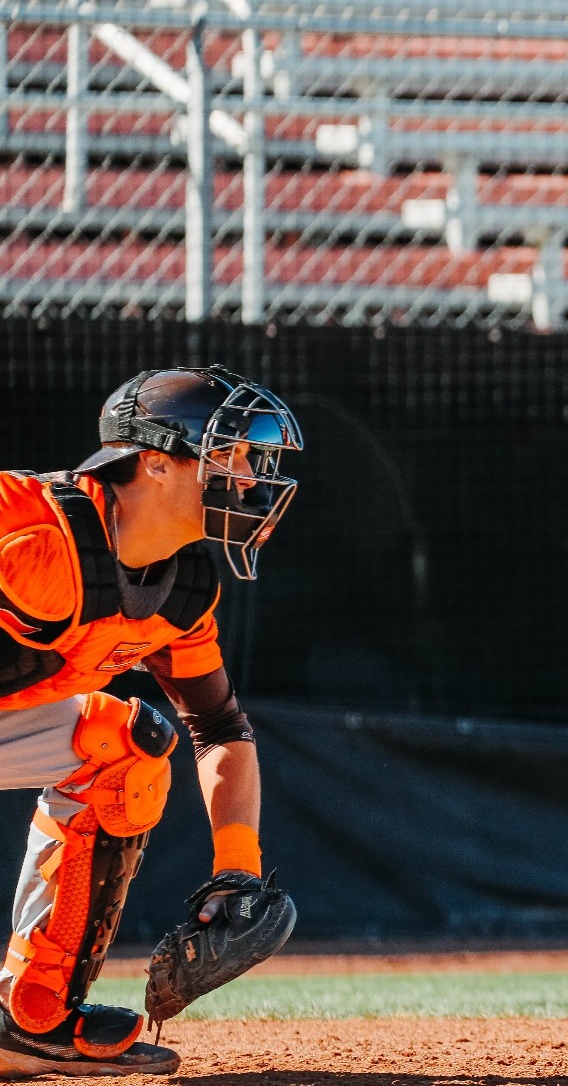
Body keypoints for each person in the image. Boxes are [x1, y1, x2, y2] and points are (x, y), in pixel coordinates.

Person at [0, 366, 303, 1076]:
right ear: (156, 462)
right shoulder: (30, 523)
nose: (250, 474)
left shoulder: (184, 589)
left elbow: (221, 729)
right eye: (227, 452)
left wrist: (238, 872)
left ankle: (32, 1013)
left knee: (129, 749)